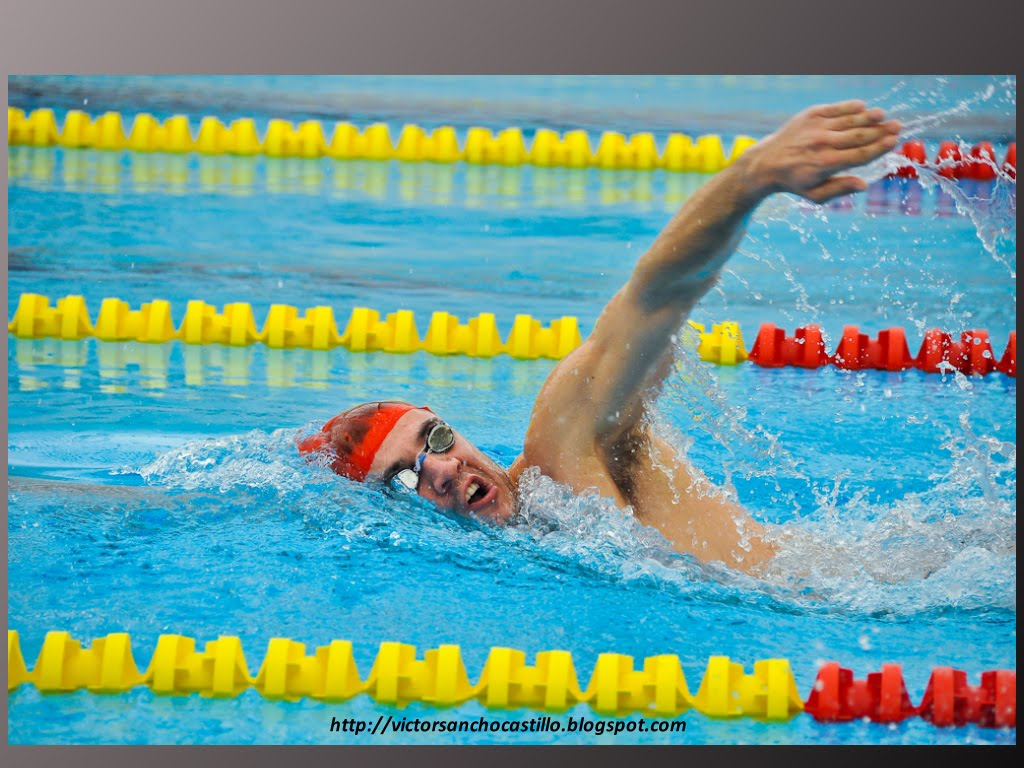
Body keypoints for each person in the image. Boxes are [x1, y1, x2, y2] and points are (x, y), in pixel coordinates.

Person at [298, 100, 902, 575]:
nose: (444, 468)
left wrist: (753, 177)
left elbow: (653, 296)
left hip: (865, 591)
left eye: (435, 437)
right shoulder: (529, 551)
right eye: (405, 479)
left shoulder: (563, 446)